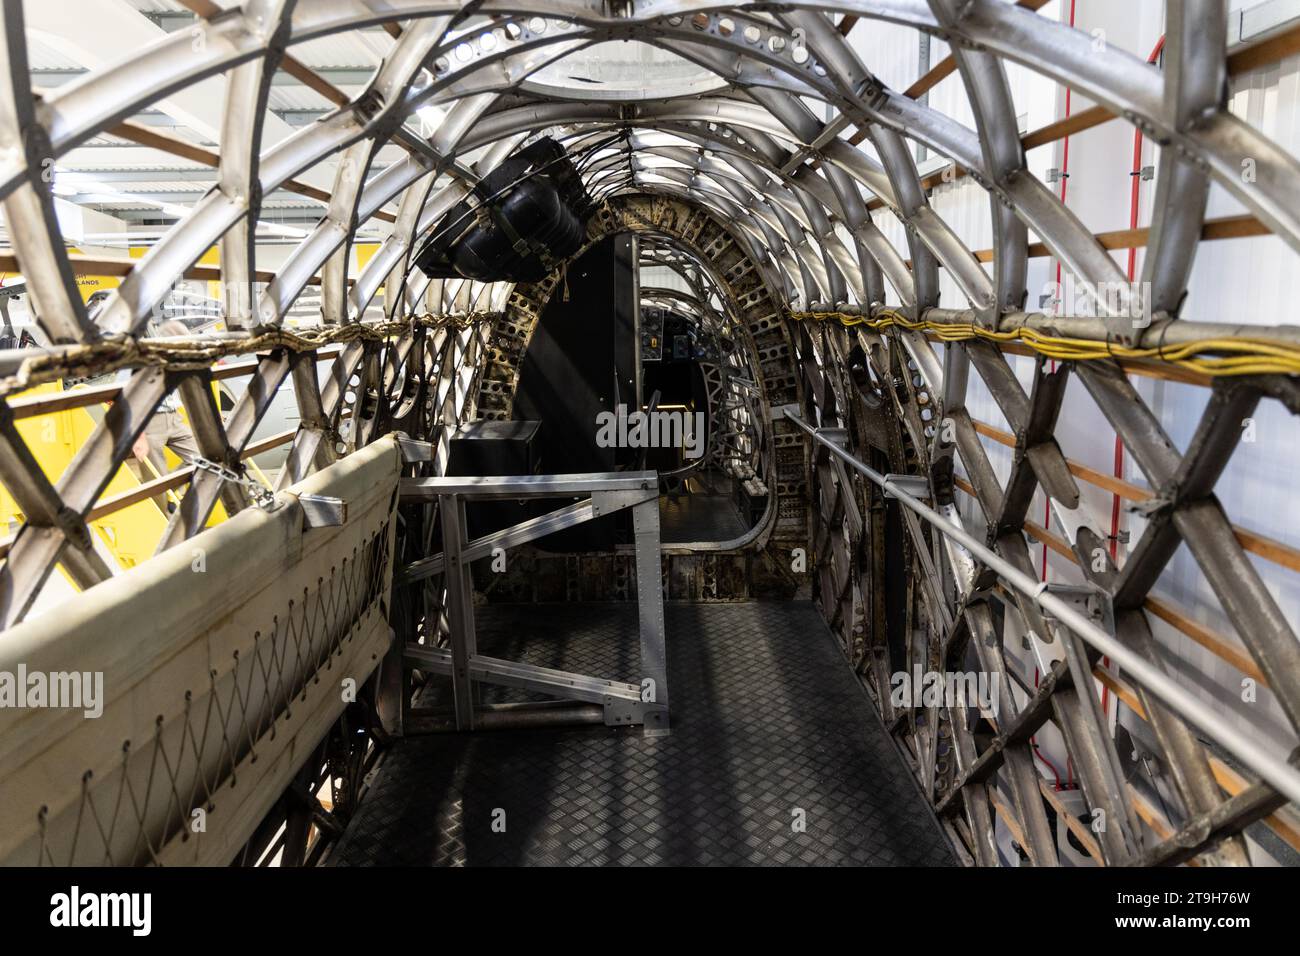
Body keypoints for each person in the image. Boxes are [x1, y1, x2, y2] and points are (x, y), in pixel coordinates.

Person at [122, 319, 200, 512]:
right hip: (149, 422)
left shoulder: (174, 359)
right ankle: (163, 520)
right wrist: (137, 435)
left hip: (174, 417)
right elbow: (125, 398)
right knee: (155, 477)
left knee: (201, 457)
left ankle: (171, 490)